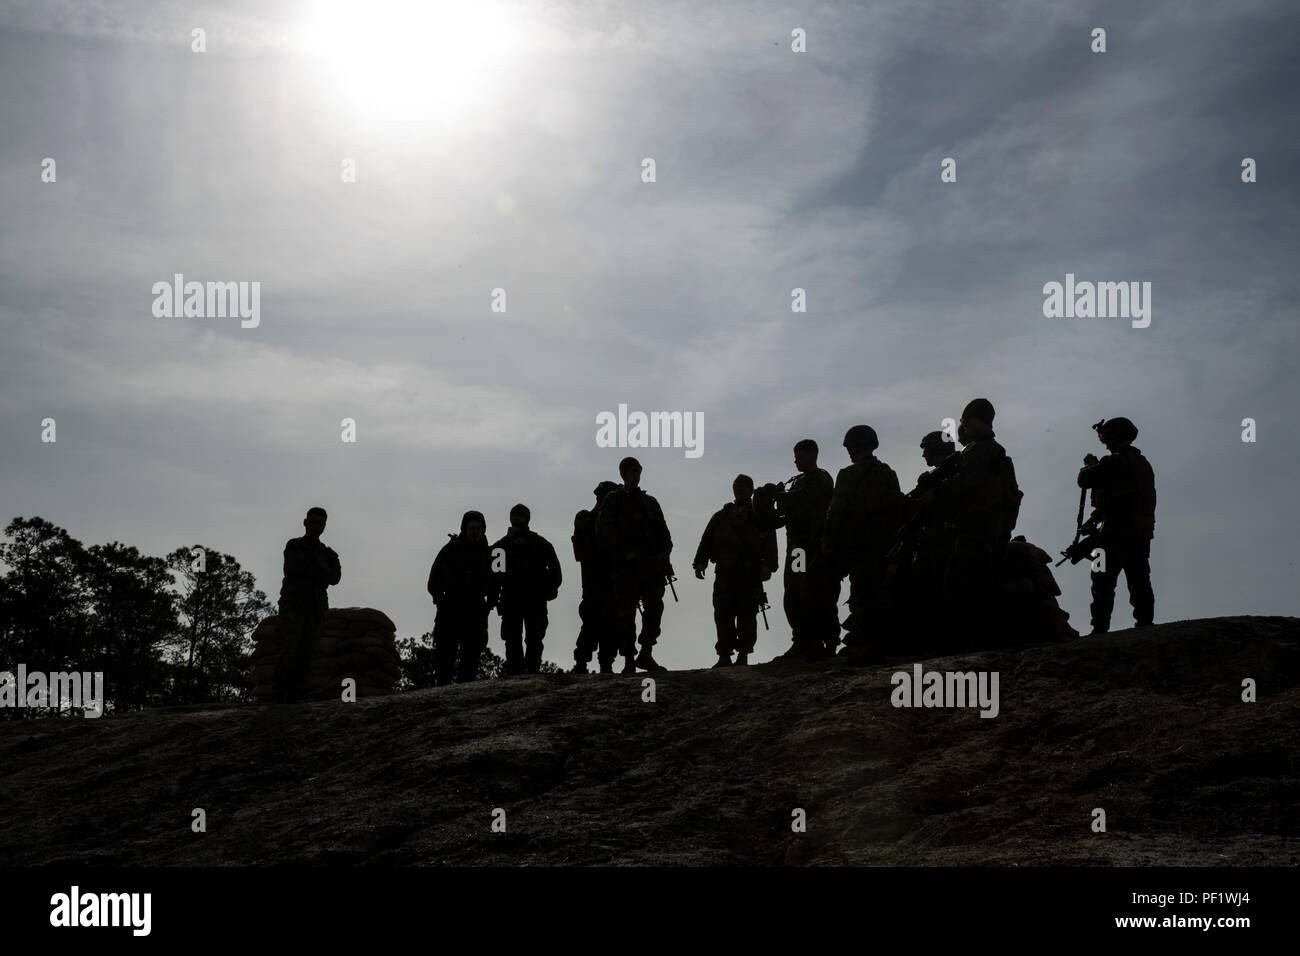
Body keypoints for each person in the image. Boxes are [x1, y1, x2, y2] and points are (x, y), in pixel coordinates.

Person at [914, 399, 1020, 643]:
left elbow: (969, 481)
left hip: (977, 528)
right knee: (974, 583)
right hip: (983, 527)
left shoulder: (981, 450)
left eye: (966, 421)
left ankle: (973, 639)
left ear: (978, 420)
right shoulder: (984, 450)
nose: (963, 426)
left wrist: (936, 492)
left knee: (965, 585)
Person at [822, 426, 904, 664]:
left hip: (859, 545)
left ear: (856, 446)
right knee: (879, 592)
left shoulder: (848, 474)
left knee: (861, 594)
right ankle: (877, 643)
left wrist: (828, 540)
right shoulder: (887, 473)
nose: (848, 451)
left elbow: (835, 511)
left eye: (850, 447)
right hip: (884, 544)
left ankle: (864, 645)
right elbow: (897, 507)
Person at [1077, 416, 1156, 634]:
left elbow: (1084, 480)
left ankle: (1099, 628)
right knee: (1139, 578)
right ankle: (1145, 623)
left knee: (1100, 578)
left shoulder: (1114, 462)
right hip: (1139, 533)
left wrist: (1089, 465)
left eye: (1106, 436)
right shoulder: (1143, 464)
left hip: (1112, 534)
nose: (1104, 441)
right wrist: (1094, 518)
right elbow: (1122, 497)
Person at [596, 457, 672, 673]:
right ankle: (629, 658)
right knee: (625, 614)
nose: (635, 475)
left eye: (638, 471)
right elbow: (604, 532)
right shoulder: (613, 500)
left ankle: (646, 652)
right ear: (623, 474)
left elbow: (665, 535)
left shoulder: (650, 503)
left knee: (654, 609)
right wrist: (625, 554)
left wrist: (663, 557)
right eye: (632, 472)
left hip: (650, 567)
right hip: (626, 568)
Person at [693, 475, 779, 667]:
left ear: (751, 490)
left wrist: (768, 565)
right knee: (723, 615)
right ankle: (724, 655)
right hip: (724, 573)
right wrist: (700, 562)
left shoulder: (759, 515)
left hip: (749, 573)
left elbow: (769, 542)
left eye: (743, 487)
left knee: (747, 615)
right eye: (736, 486)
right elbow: (706, 540)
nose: (739, 490)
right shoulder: (722, 515)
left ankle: (743, 654)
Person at [775, 439, 839, 660]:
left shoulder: (821, 478)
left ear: (812, 455)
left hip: (812, 546)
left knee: (814, 593)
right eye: (795, 457)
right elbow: (785, 510)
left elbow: (806, 501)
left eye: (800, 457)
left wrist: (782, 497)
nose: (796, 461)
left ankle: (824, 642)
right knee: (793, 594)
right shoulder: (797, 482)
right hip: (797, 548)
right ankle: (802, 640)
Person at [273, 506, 342, 702]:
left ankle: (298, 693)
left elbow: (335, 578)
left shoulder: (329, 554)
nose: (316, 526)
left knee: (307, 652)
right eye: (313, 522)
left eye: (320, 524)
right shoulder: (294, 546)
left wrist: (312, 568)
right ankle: (281, 694)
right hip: (293, 606)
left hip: (315, 608)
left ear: (325, 527)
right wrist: (320, 570)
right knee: (288, 649)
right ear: (305, 522)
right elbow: (293, 570)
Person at [427, 511, 498, 686]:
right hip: (450, 610)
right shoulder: (450, 549)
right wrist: (440, 599)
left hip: (475, 612)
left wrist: (490, 603)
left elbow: (497, 580)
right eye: (472, 528)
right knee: (445, 660)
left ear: (483, 530)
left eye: (478, 528)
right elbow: (433, 578)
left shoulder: (490, 554)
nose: (475, 532)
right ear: (464, 529)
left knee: (470, 662)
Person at [492, 503, 563, 675]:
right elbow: (494, 575)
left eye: (520, 516)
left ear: (527, 519)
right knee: (512, 640)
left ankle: (532, 672)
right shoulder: (502, 546)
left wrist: (548, 589)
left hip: (534, 600)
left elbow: (556, 573)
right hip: (511, 600)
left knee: (534, 639)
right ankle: (516, 673)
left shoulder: (540, 544)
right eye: (514, 515)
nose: (517, 519)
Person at [572, 481, 620, 673]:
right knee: (591, 624)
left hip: (612, 584)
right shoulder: (585, 519)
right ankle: (582, 662)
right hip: (594, 584)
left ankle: (606, 663)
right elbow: (582, 552)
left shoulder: (613, 524)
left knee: (611, 626)